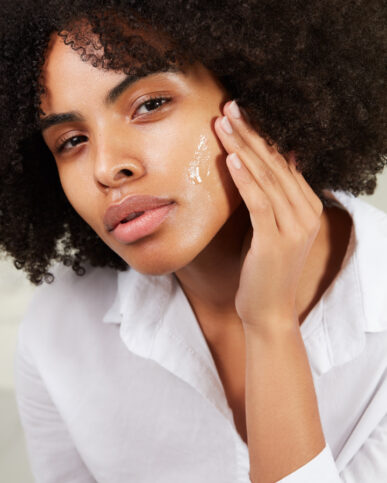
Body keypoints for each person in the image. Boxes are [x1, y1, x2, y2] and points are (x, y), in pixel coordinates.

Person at [1, 0, 386, 481]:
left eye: (150, 105)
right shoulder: (60, 333)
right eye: (71, 141)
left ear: (257, 94)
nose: (106, 168)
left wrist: (269, 325)